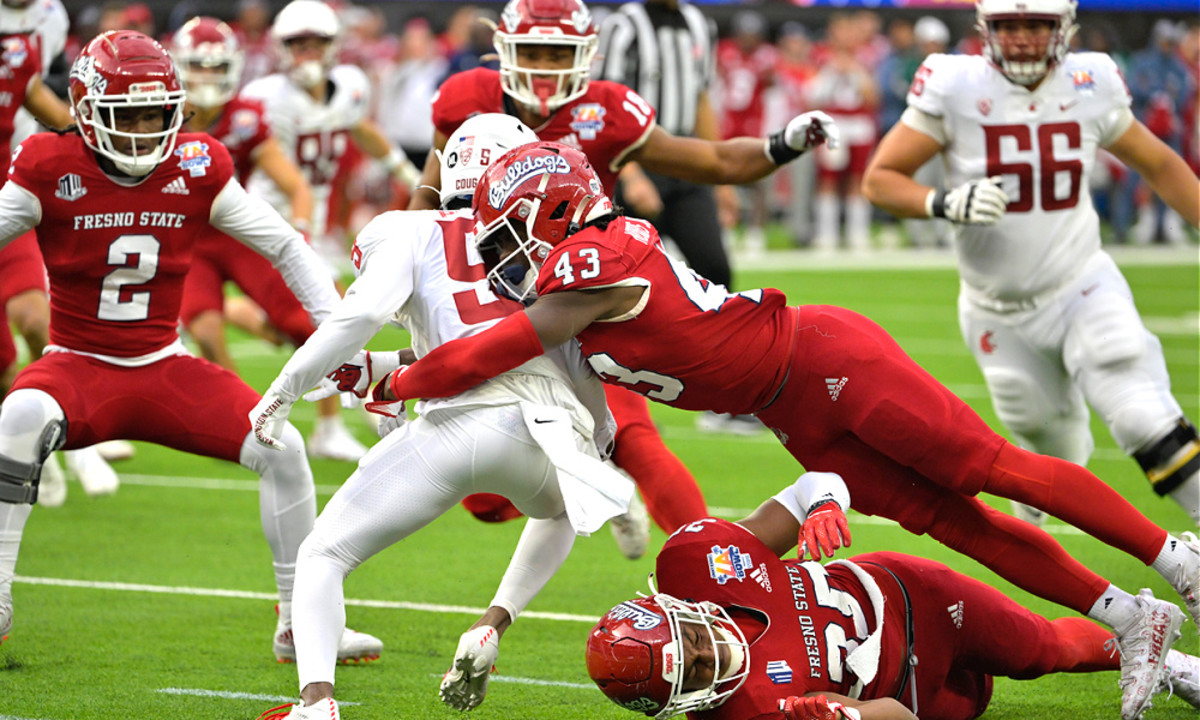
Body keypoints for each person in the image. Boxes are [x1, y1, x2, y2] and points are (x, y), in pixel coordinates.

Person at [370, 140, 1198, 720]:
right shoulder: (575, 289)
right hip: (790, 412)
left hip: (823, 362)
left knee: (990, 467)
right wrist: (388, 372)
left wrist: (403, 380)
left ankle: (1175, 561)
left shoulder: (596, 261)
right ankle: (1129, 618)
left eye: (514, 233)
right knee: (954, 521)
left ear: (554, 211)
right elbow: (515, 377)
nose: (506, 258)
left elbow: (491, 350)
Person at [0, 30, 382, 665]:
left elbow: (286, 245)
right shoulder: (48, 163)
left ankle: (302, 626)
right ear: (87, 111)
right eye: (130, 116)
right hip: (76, 367)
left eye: (157, 116)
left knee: (282, 447)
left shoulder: (198, 164)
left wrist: (337, 332)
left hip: (163, 365)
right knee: (14, 418)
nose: (145, 133)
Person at [249, 113, 632, 720]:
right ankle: (491, 624)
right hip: (546, 429)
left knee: (323, 556)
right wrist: (603, 434)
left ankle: (315, 704)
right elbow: (572, 356)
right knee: (558, 512)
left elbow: (360, 314)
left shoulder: (411, 228)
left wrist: (286, 388)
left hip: (456, 424)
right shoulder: (548, 238)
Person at [407, 0, 838, 540]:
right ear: (504, 50)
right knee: (489, 498)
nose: (544, 67)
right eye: (534, 51)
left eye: (558, 53)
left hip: (580, 298)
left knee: (635, 438)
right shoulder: (465, 98)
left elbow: (713, 161)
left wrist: (782, 145)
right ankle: (594, 480)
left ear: (587, 55)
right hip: (488, 298)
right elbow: (426, 201)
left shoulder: (604, 108)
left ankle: (714, 570)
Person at [861, 0, 1200, 528]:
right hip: (997, 308)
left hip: (1080, 280)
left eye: (1036, 25)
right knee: (1048, 458)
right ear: (984, 29)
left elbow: (1158, 162)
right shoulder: (955, 83)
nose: (1021, 37)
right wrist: (943, 202)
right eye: (1008, 25)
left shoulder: (1092, 81)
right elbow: (880, 178)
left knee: (1140, 411)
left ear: (1063, 28)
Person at [585, 472, 1200, 720]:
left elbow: (813, 483)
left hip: (909, 598)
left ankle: (1172, 662)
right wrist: (841, 715)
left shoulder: (699, 561)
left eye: (692, 645)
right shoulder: (742, 712)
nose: (709, 660)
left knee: (1039, 653)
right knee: (973, 703)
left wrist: (823, 505)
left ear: (680, 610)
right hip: (901, 690)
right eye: (689, 675)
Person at [170, 16, 363, 463]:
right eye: (197, 66)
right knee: (205, 328)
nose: (207, 78)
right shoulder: (160, 112)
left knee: (302, 324)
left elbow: (294, 182)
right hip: (184, 237)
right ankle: (245, 423)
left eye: (216, 68)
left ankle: (329, 427)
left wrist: (298, 235)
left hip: (235, 232)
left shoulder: (245, 115)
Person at [597, 0, 759, 437]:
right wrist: (629, 174)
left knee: (717, 271)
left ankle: (728, 398)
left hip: (687, 165)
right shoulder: (622, 27)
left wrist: (721, 179)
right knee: (616, 284)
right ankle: (606, 408)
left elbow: (701, 99)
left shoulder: (697, 24)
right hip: (635, 162)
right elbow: (602, 108)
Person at [0, 0, 127, 504]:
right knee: (4, 362)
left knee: (36, 318)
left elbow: (27, 86)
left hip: (10, 184)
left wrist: (85, 136)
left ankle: (74, 439)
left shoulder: (47, 17)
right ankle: (29, 450)